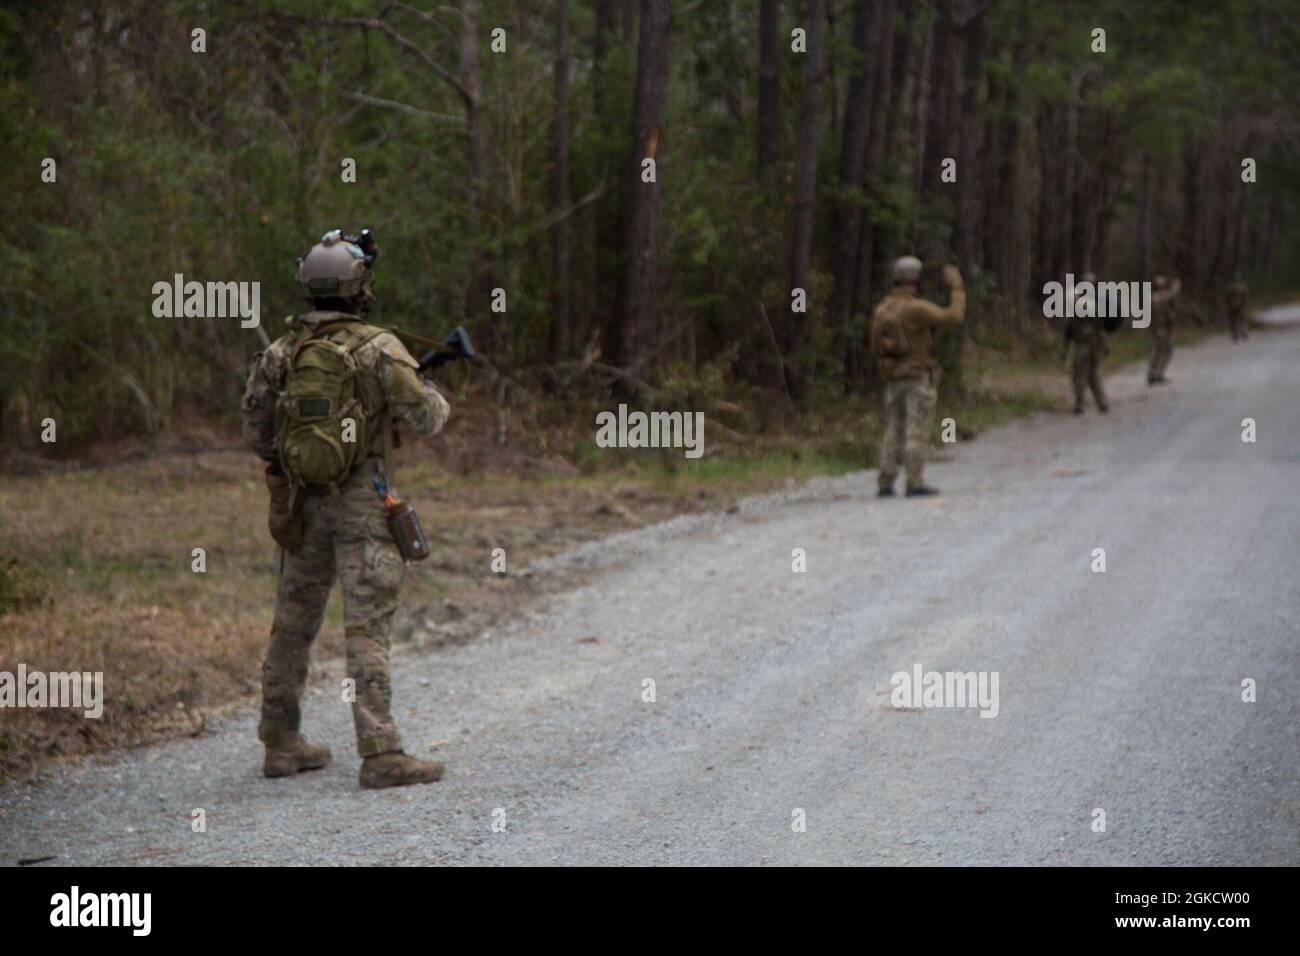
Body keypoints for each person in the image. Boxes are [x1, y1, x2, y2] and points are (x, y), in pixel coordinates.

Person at [241, 228, 451, 789]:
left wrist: (302, 461)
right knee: (367, 629)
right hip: (364, 503)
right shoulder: (380, 348)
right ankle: (381, 755)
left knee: (291, 626)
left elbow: (257, 433)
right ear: (359, 287)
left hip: (301, 502)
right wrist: (426, 387)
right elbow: (428, 419)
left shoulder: (280, 354)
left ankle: (280, 744)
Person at [869, 256, 965, 497]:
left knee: (894, 429)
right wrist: (957, 287)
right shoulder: (916, 308)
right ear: (915, 280)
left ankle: (885, 481)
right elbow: (954, 317)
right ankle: (914, 481)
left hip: (893, 378)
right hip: (916, 378)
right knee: (917, 430)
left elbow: (874, 346)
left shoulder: (882, 309)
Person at [1061, 273, 1109, 414]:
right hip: (1093, 347)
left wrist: (1065, 349)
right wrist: (1104, 346)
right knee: (1093, 375)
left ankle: (1080, 405)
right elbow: (1099, 328)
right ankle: (1102, 403)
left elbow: (1069, 330)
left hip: (1083, 347)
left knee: (1080, 376)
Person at [1147, 274, 1181, 385]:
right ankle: (1155, 374)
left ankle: (1156, 374)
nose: (1163, 287)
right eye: (1161, 286)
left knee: (1162, 351)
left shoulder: (1158, 297)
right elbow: (1170, 296)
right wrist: (1176, 286)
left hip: (1164, 327)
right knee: (1162, 351)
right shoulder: (1155, 298)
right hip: (1160, 328)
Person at [1227, 273, 1249, 342]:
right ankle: (1244, 331)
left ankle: (1235, 334)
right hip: (1242, 305)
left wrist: (1228, 304)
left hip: (1233, 305)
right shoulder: (1243, 286)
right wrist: (1245, 304)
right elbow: (1246, 296)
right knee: (1242, 319)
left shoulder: (1231, 286)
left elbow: (1227, 296)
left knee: (1233, 320)